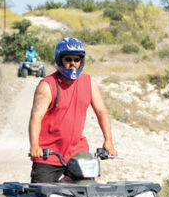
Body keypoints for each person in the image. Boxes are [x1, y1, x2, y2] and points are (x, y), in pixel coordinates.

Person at [28, 37, 117, 182]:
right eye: (68, 59)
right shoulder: (47, 85)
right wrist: (34, 146)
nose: (72, 64)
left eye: (77, 60)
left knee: (87, 194)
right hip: (49, 154)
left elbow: (102, 111)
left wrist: (108, 140)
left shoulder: (89, 82)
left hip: (77, 152)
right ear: (60, 59)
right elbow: (36, 117)